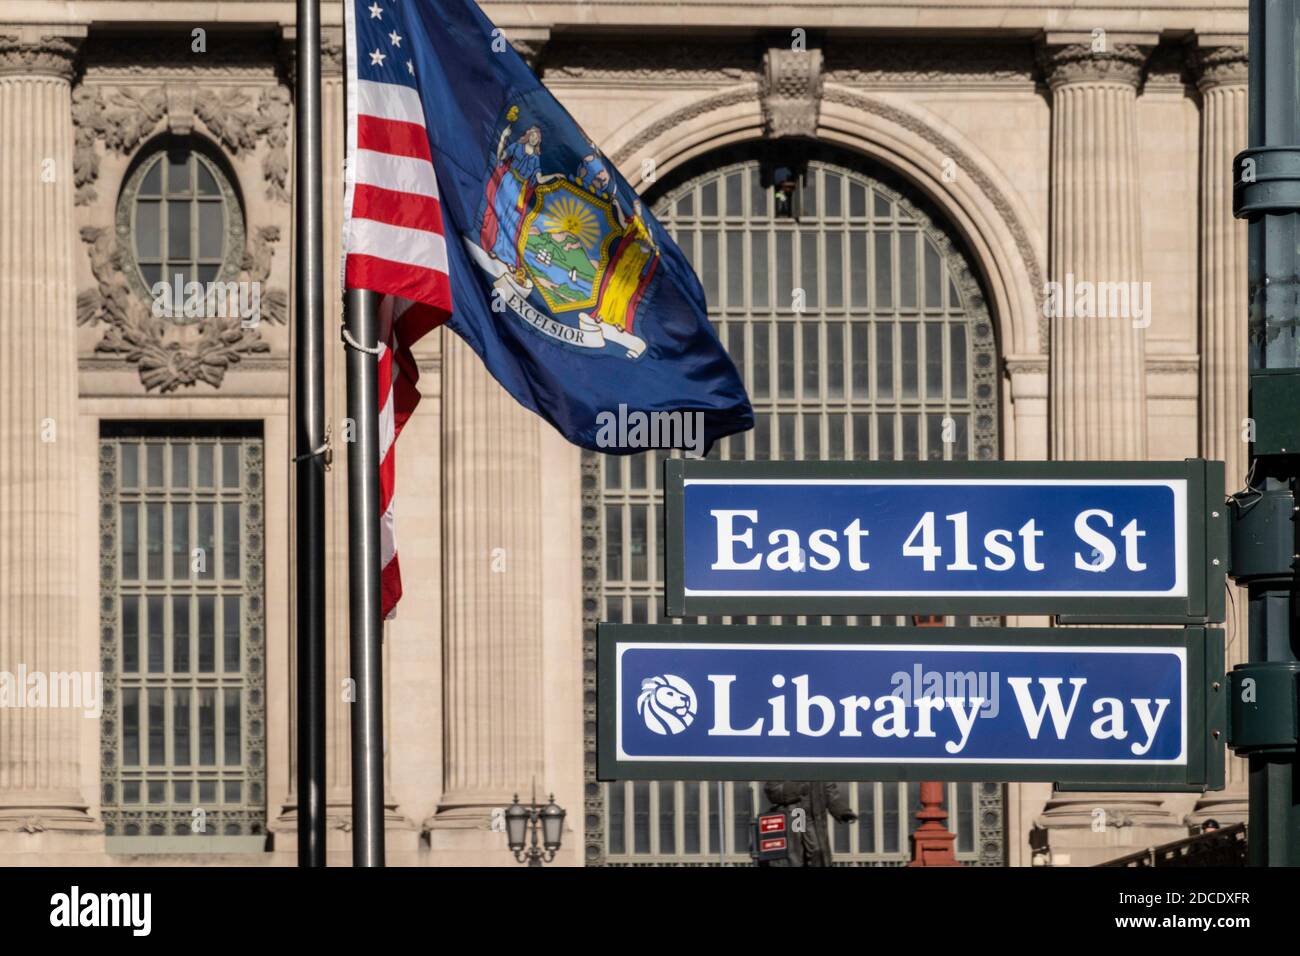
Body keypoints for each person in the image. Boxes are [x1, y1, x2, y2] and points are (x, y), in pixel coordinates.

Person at [760, 781, 858, 867]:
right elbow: (772, 789)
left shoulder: (819, 768)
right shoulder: (784, 764)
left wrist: (842, 811)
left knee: (817, 851)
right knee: (794, 855)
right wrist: (797, 788)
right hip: (794, 816)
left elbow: (831, 793)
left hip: (814, 819)